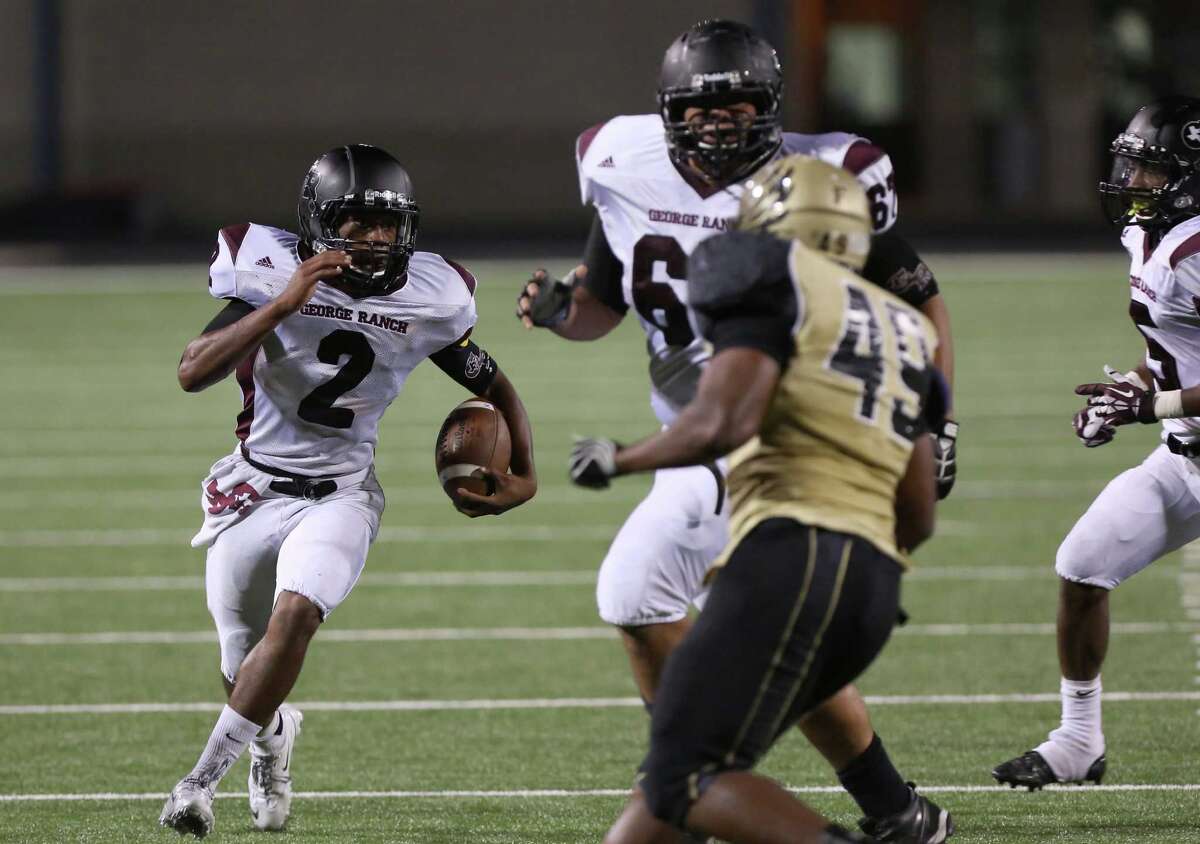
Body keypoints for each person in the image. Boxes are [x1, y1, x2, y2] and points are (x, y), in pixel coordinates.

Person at [517, 18, 954, 841]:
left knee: (637, 587)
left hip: (766, 434)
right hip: (731, 432)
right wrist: (560, 311)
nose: (721, 124)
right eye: (701, 110)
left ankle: (690, 771)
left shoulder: (820, 187)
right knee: (766, 635)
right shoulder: (621, 164)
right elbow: (603, 300)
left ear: (775, 108)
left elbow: (918, 293)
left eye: (744, 105)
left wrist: (622, 458)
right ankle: (892, 810)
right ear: (666, 112)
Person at [158, 144, 537, 838]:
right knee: (240, 669)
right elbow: (191, 371)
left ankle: (197, 783)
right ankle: (273, 737)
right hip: (253, 489)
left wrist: (528, 468)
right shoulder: (268, 268)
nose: (372, 239)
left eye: (387, 226)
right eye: (355, 222)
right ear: (316, 223)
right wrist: (287, 298)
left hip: (342, 492)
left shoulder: (431, 295)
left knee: (297, 611)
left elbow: (492, 379)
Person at [993, 95, 1200, 790]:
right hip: (1185, 454)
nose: (1131, 181)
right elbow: (1172, 351)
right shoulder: (1150, 237)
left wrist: (1157, 402)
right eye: (1131, 166)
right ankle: (1078, 742)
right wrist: (1129, 394)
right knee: (1082, 566)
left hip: (1181, 431)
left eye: (1149, 171)